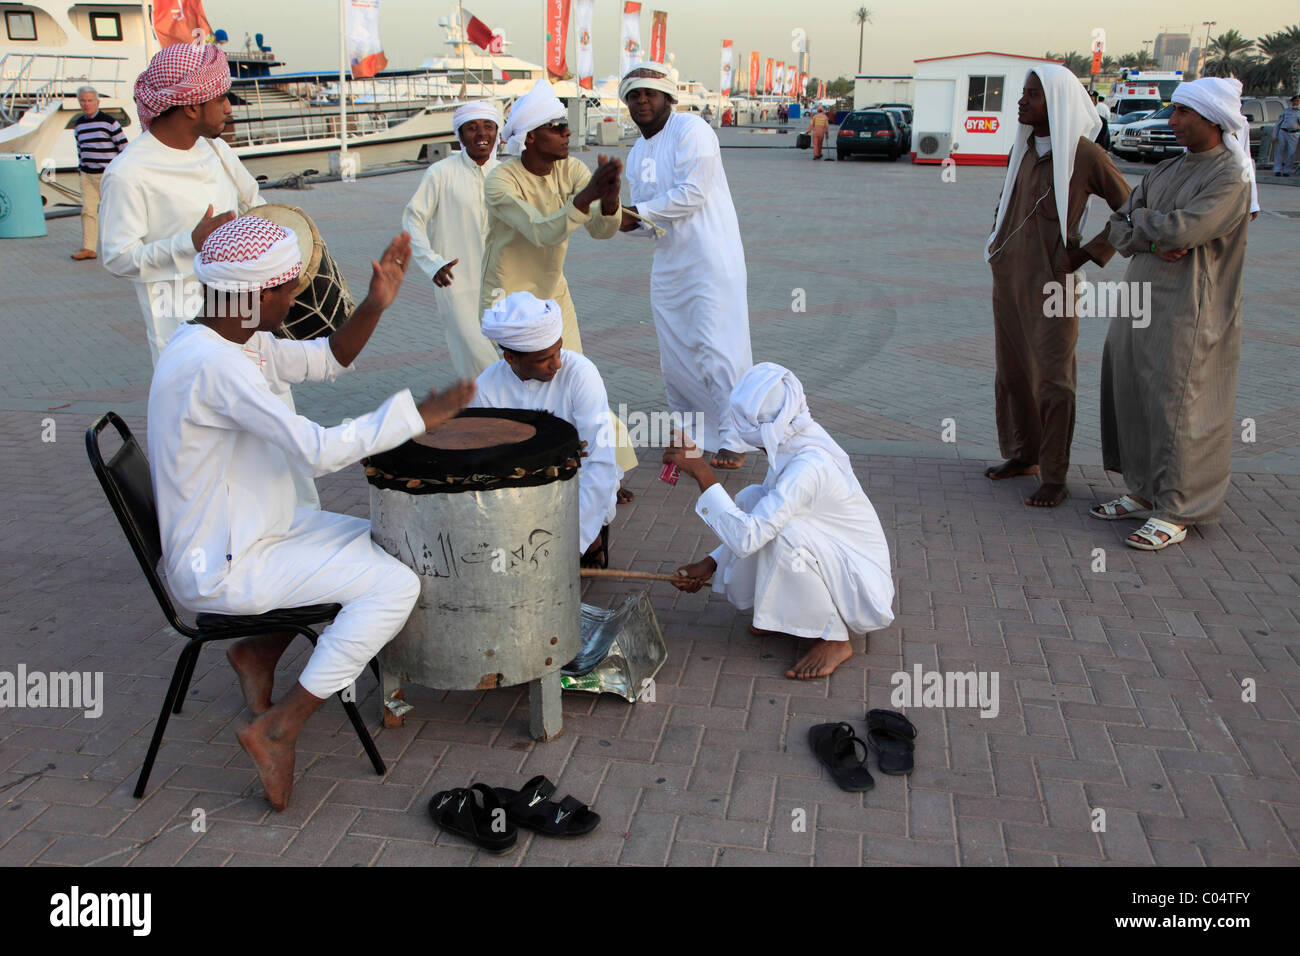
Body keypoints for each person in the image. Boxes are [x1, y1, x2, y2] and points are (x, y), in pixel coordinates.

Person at [148, 216, 475, 810]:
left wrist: (375, 304)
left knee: (387, 540)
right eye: (289, 288)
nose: (297, 297)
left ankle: (260, 650)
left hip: (257, 529)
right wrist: (417, 418)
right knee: (393, 586)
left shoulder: (227, 336)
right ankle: (279, 727)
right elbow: (317, 451)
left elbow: (329, 358)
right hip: (224, 562)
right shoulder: (213, 367)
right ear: (255, 296)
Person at [1094, 77, 1255, 550]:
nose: (1173, 121)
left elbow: (1186, 229)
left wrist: (1147, 230)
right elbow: (1118, 225)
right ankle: (1143, 492)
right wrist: (1150, 234)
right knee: (1131, 390)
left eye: (1183, 113)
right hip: (1139, 300)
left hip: (1191, 309)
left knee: (1178, 403)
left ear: (1213, 120)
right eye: (1175, 111)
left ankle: (1179, 507)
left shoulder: (1230, 175)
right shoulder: (1164, 169)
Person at [666, 364, 894, 680]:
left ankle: (835, 637)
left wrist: (703, 473)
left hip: (859, 584)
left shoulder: (809, 465)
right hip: (833, 556)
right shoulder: (795, 440)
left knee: (784, 535)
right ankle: (781, 613)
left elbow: (750, 536)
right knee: (752, 498)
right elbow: (758, 519)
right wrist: (709, 563)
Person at [983, 65, 1130, 508]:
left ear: (1059, 104)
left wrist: (1087, 253)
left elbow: (1132, 209)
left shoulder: (1085, 156)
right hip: (1009, 279)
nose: (1021, 101)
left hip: (1055, 285)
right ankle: (1022, 454)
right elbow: (1007, 205)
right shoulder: (1023, 148)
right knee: (1012, 373)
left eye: (1033, 95)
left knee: (1053, 380)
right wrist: (995, 246)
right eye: (1023, 93)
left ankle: (1054, 475)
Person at [481, 78, 637, 475]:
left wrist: (612, 197)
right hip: (507, 299)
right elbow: (540, 230)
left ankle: (603, 472)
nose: (568, 133)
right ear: (531, 137)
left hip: (553, 297)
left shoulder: (571, 169)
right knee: (519, 389)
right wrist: (587, 198)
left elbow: (602, 231)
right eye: (557, 127)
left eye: (566, 125)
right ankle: (528, 469)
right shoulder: (500, 181)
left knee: (576, 376)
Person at [619, 61, 754, 469]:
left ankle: (736, 438)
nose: (642, 101)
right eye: (634, 95)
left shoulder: (692, 130)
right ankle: (692, 436)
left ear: (669, 98)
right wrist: (617, 222)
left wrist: (634, 212)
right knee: (675, 357)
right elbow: (651, 224)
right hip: (669, 265)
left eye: (649, 94)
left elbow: (692, 193)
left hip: (710, 260)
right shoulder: (636, 152)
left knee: (717, 350)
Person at [99, 43, 262, 365]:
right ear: (190, 107)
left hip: (247, 320)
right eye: (220, 99)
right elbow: (116, 258)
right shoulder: (129, 172)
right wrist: (189, 243)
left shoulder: (217, 150)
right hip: (182, 330)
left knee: (269, 407)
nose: (228, 109)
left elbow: (256, 205)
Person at [470, 291, 622, 568]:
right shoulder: (485, 387)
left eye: (558, 350)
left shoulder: (581, 373)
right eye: (543, 359)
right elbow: (483, 460)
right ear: (511, 359)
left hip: (576, 473)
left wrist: (571, 543)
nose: (557, 363)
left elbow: (599, 459)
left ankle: (594, 540)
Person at [402, 101, 502, 377]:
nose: (481, 134)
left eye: (488, 127)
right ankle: (502, 406)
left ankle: (487, 412)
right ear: (460, 135)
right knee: (474, 350)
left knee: (504, 352)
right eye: (472, 128)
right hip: (456, 282)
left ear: (497, 132)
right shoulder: (441, 172)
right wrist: (432, 263)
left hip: (503, 282)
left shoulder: (507, 174)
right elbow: (413, 219)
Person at [70, 86, 127, 261]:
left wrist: (121, 172)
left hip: (107, 175)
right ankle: (89, 248)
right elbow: (80, 149)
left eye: (89, 100)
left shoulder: (109, 122)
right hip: (87, 175)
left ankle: (122, 246)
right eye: (83, 101)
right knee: (88, 211)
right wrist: (81, 170)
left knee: (114, 212)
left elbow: (124, 148)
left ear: (97, 102)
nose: (86, 104)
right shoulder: (79, 124)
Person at [1271, 94, 1299, 177]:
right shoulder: (1286, 111)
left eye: (1297, 101)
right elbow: (1278, 124)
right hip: (1283, 132)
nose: (1295, 103)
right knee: (1279, 151)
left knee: (1291, 152)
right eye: (1294, 101)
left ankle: (1287, 171)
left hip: (1294, 133)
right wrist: (1274, 135)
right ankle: (1277, 170)